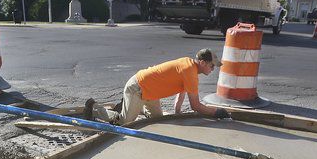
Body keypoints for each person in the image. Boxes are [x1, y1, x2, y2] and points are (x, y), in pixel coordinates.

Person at [91, 49, 230, 125]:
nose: (213, 69)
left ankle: (133, 107)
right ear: (202, 62)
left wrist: (177, 112)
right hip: (138, 88)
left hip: (151, 93)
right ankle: (94, 109)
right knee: (124, 121)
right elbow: (196, 106)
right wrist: (217, 112)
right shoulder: (190, 72)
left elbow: (182, 91)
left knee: (157, 119)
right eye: (212, 65)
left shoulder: (189, 67)